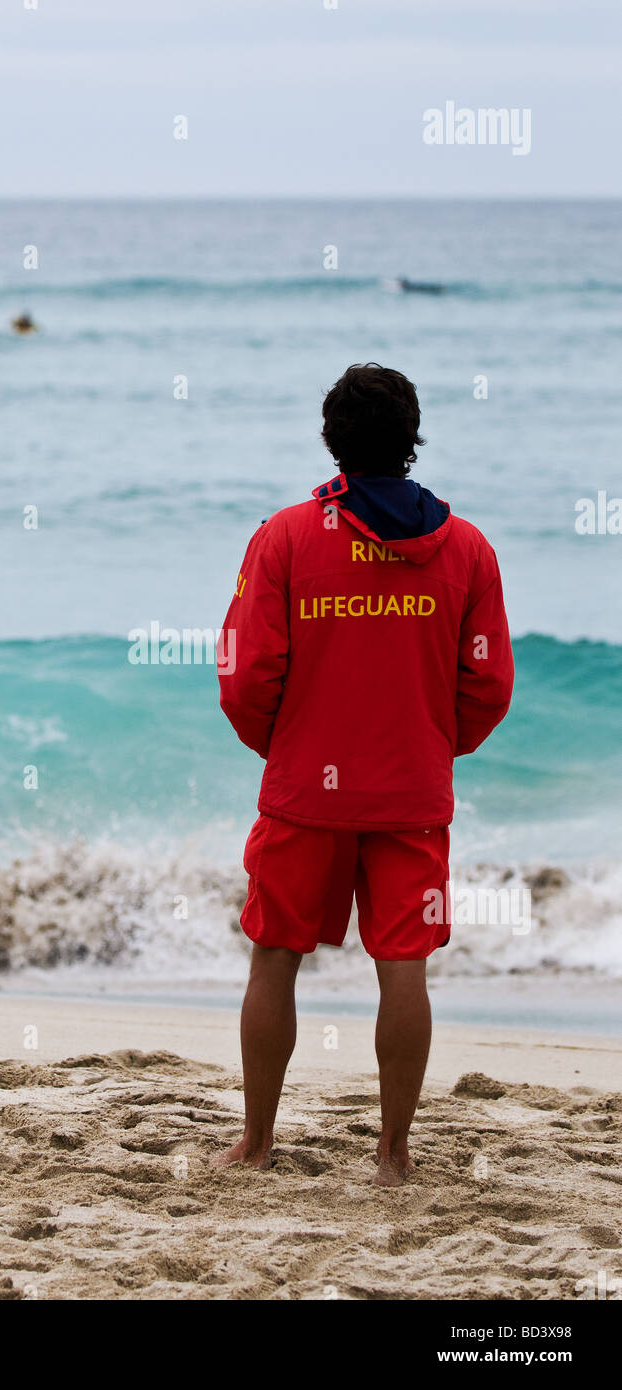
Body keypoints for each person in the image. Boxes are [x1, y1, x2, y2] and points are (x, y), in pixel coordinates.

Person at [215, 362, 514, 1186]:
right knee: (403, 966)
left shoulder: (282, 537)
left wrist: (283, 746)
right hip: (411, 792)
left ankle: (256, 1141)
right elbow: (487, 683)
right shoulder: (466, 548)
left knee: (275, 953)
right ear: (411, 439)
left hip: (305, 788)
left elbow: (245, 675)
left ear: (330, 440)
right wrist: (429, 745)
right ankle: (391, 1153)